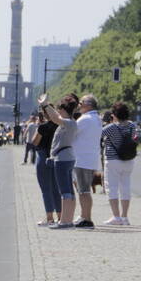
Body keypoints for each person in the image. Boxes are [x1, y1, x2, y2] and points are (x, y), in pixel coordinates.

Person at [38, 93, 80, 228]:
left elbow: (55, 117)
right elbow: (56, 116)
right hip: (66, 158)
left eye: (60, 109)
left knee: (65, 192)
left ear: (64, 110)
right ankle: (67, 220)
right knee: (69, 192)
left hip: (62, 159)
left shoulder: (67, 123)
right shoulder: (70, 123)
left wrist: (45, 104)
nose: (58, 112)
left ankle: (64, 221)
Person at [101, 102, 140, 225]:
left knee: (111, 187)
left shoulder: (110, 128)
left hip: (113, 160)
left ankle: (116, 217)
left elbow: (99, 136)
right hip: (128, 160)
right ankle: (125, 217)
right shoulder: (132, 126)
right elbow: (134, 138)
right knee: (125, 187)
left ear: (114, 115)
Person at [70, 94, 103, 229]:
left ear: (88, 105)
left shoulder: (85, 119)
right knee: (84, 190)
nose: (79, 106)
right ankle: (84, 216)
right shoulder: (96, 118)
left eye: (81, 103)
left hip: (82, 159)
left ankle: (87, 218)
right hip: (89, 158)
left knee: (83, 191)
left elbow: (71, 132)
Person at [31, 110, 60, 225]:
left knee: (46, 189)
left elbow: (35, 142)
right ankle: (60, 215)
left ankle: (49, 218)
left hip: (43, 157)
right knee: (56, 189)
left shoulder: (42, 127)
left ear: (43, 116)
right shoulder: (60, 126)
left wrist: (39, 126)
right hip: (56, 157)